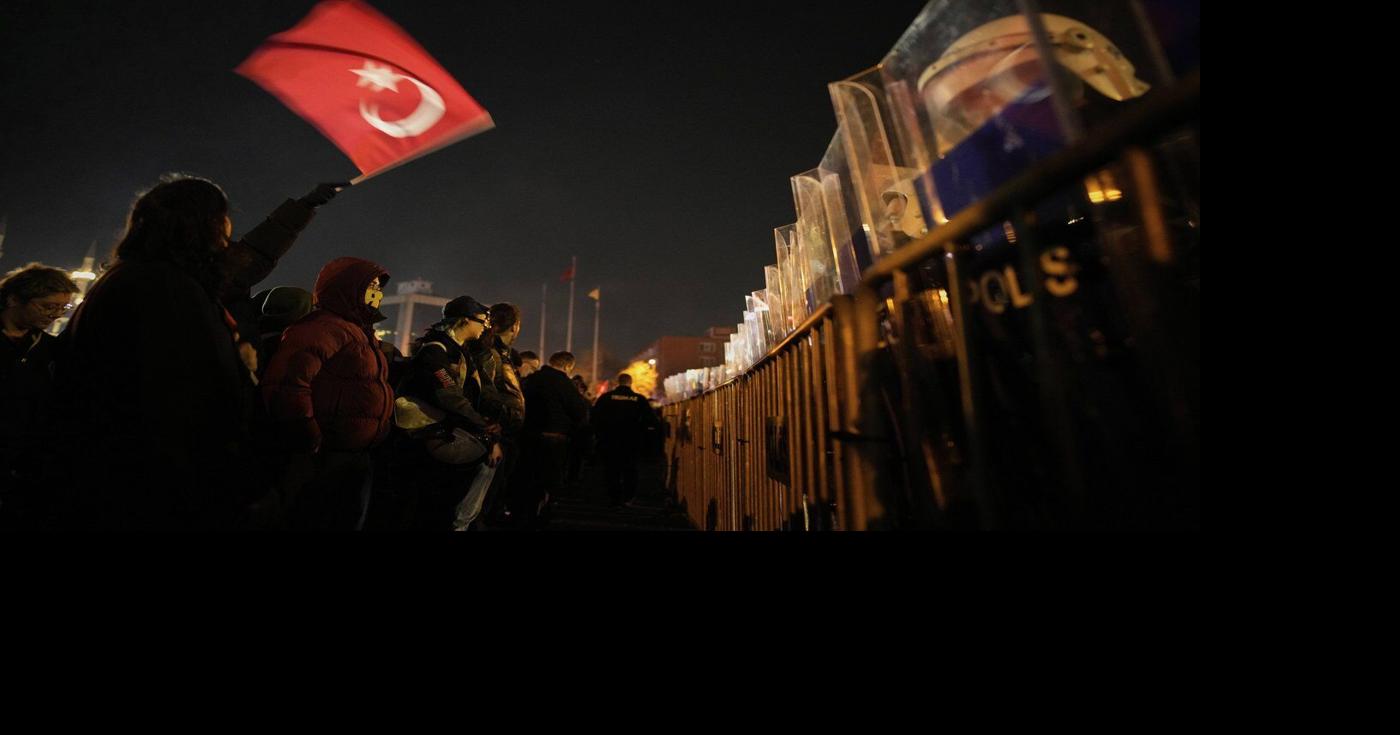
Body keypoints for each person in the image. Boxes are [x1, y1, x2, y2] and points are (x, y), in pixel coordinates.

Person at [57, 174, 343, 530]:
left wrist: (304, 208)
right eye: (222, 218)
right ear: (199, 226)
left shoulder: (158, 278)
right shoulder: (164, 291)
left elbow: (251, 255)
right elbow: (180, 405)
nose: (228, 229)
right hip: (154, 494)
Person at [261, 257, 395, 530]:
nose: (377, 294)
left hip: (353, 457)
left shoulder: (360, 332)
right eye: (370, 286)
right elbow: (287, 386)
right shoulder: (324, 327)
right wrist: (311, 438)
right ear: (348, 287)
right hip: (326, 460)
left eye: (379, 288)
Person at [394, 295, 502, 530]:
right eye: (481, 321)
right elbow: (449, 395)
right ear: (464, 321)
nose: (484, 327)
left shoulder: (459, 352)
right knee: (431, 506)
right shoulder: (437, 352)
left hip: (443, 430)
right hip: (426, 435)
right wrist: (482, 425)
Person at [0, 264, 78, 527]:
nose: (55, 315)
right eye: (47, 307)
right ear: (13, 299)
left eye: (63, 309)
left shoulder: (49, 350)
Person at [517, 351, 590, 526]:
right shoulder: (565, 384)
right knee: (548, 481)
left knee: (527, 479)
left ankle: (521, 514)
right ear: (567, 366)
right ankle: (540, 516)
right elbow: (579, 412)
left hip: (528, 436)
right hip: (554, 439)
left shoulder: (533, 380)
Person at [590, 372, 660, 508]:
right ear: (630, 383)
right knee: (631, 470)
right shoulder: (639, 399)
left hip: (609, 440)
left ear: (618, 383)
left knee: (611, 470)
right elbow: (651, 420)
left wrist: (599, 434)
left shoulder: (606, 398)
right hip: (632, 441)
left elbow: (594, 418)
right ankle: (628, 498)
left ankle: (614, 498)